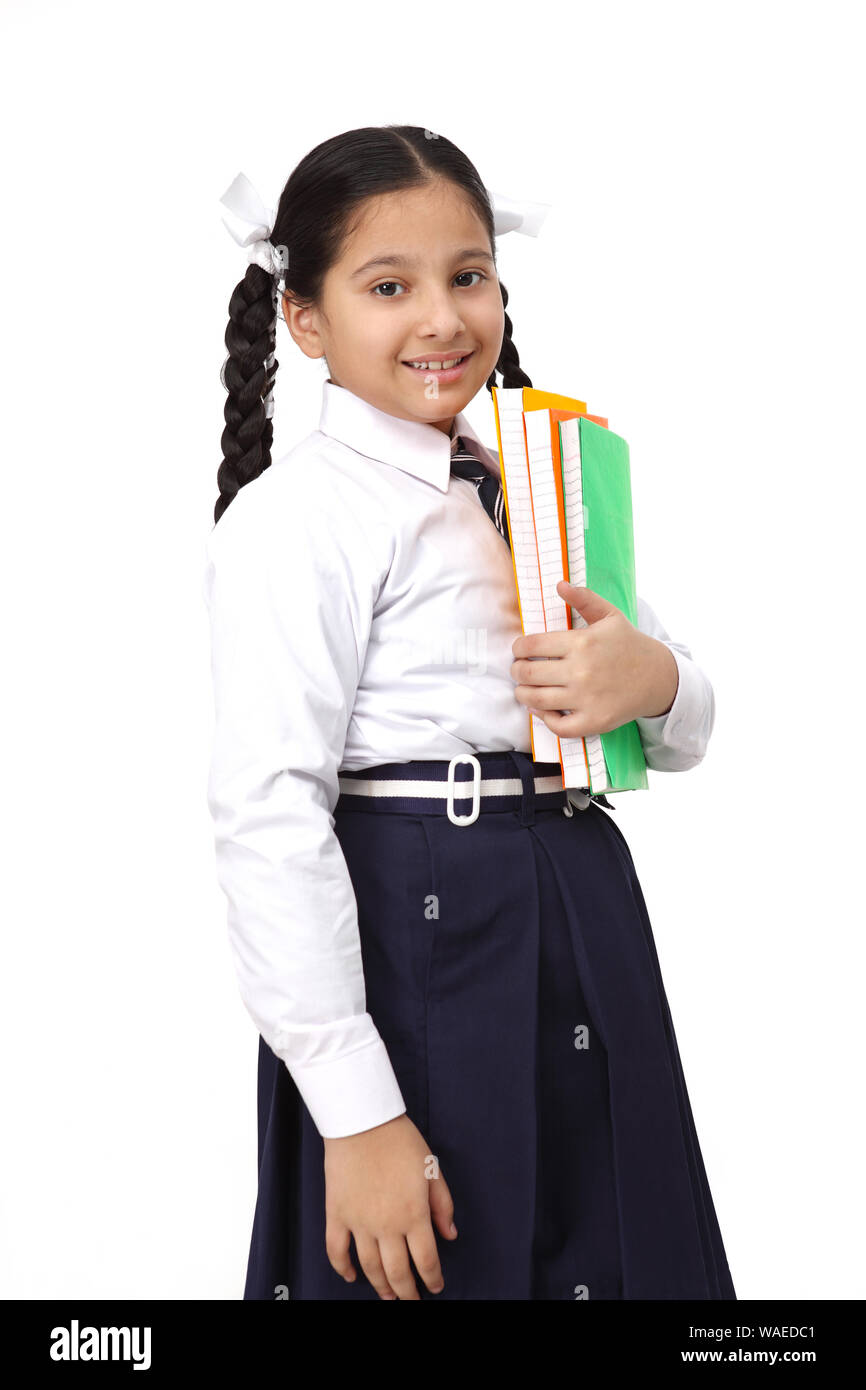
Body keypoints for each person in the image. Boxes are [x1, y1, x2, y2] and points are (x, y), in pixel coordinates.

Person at [203, 123, 737, 1301]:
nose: (442, 318)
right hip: (414, 934)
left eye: (468, 274)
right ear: (304, 319)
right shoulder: (296, 522)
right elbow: (267, 817)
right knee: (440, 1257)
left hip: (577, 913)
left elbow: (682, 716)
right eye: (387, 286)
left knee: (615, 1249)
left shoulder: (537, 479)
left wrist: (648, 681)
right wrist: (354, 1112)